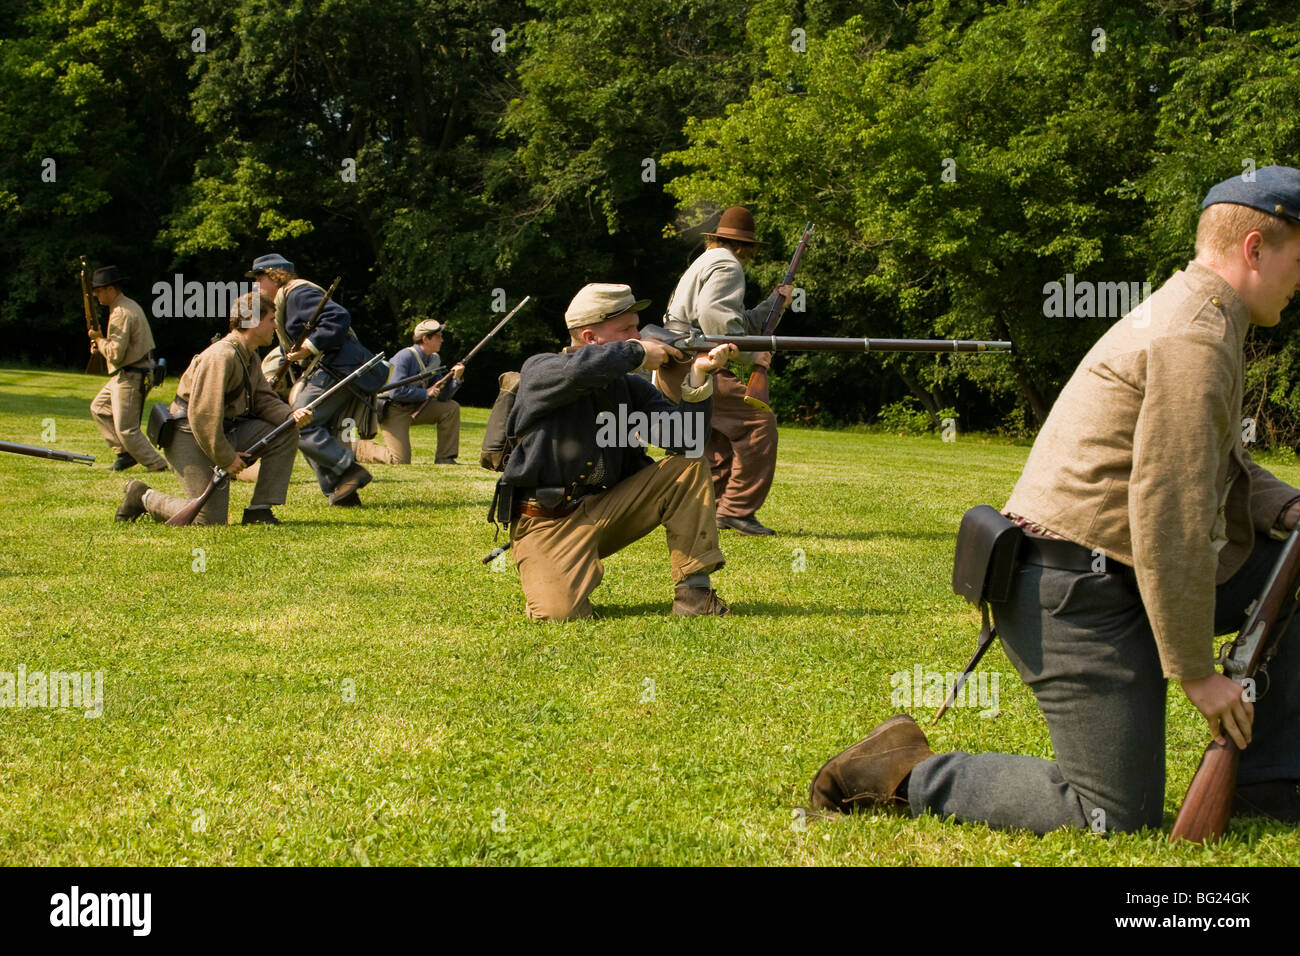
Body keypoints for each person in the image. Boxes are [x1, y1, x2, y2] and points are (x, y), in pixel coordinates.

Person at [808, 166, 1300, 833]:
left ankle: (1267, 782)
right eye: (1298, 259)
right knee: (1110, 814)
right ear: (1254, 250)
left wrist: (1291, 509)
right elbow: (1171, 516)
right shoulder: (1195, 336)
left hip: (1112, 569)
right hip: (1074, 589)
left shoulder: (1203, 312)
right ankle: (904, 771)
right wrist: (1197, 676)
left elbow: (1224, 463)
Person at [495, 282, 737, 620]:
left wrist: (697, 377)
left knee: (688, 466)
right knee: (559, 615)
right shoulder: (542, 370)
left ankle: (695, 596)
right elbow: (580, 370)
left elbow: (687, 441)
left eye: (636, 328)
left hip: (608, 508)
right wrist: (637, 353)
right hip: (546, 522)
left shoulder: (630, 388)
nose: (639, 334)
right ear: (591, 338)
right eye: (627, 329)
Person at [116, 292, 312, 526]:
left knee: (286, 431)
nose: (275, 326)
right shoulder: (222, 356)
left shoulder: (247, 354)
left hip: (222, 431)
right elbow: (203, 415)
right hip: (188, 435)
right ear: (253, 321)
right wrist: (227, 458)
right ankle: (142, 496)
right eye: (271, 319)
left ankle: (259, 510)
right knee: (208, 520)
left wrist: (290, 416)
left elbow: (261, 398)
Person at [664, 206, 792, 536]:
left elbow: (734, 320)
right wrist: (753, 357)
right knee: (758, 423)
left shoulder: (706, 261)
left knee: (717, 441)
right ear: (745, 246)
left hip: (679, 363)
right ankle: (735, 511)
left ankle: (712, 508)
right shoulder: (726, 264)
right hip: (697, 362)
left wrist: (773, 305)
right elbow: (717, 321)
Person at [248, 254, 386, 506]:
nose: (256, 286)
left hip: (337, 368)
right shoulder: (286, 298)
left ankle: (347, 471)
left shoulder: (296, 293)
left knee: (296, 424)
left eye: (259, 279)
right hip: (333, 368)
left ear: (273, 276)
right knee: (310, 427)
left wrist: (309, 346)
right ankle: (341, 492)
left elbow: (338, 317)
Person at [87, 265, 168, 473]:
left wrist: (98, 340)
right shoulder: (124, 307)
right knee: (99, 407)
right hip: (128, 371)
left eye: (98, 290)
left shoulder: (121, 313)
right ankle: (124, 454)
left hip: (133, 373)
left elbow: (115, 353)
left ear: (111, 289)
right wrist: (101, 343)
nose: (95, 295)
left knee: (127, 429)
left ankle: (157, 464)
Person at [355, 318, 464, 465]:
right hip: (393, 410)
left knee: (451, 408)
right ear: (425, 339)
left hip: (416, 406)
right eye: (438, 336)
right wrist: (426, 393)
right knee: (399, 461)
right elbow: (395, 391)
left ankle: (445, 458)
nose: (442, 340)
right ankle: (356, 448)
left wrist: (455, 379)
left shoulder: (434, 359)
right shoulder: (405, 356)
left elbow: (442, 396)